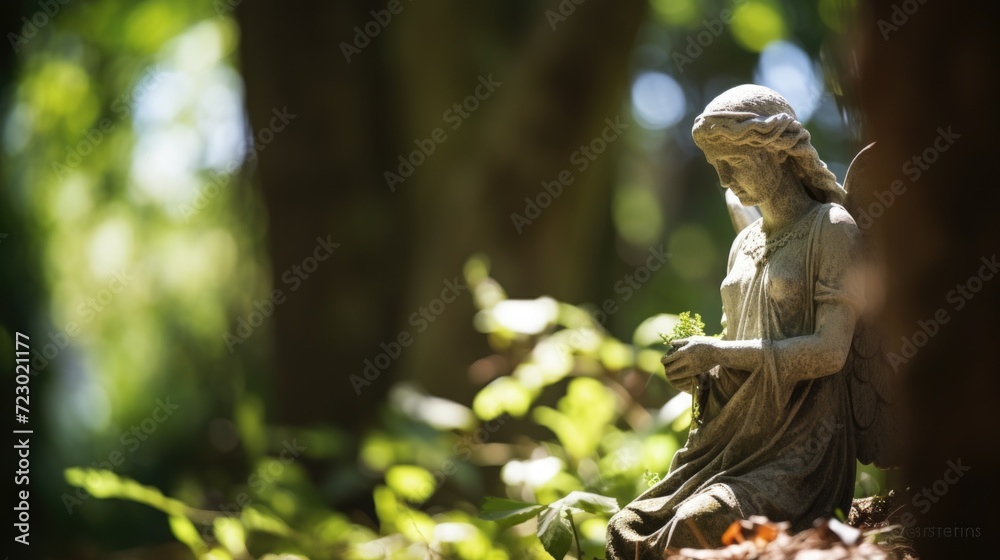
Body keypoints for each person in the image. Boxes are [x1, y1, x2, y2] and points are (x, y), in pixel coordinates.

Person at [606, 85, 866, 559]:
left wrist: (718, 352)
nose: (725, 180)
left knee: (697, 523)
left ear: (778, 152)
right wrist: (702, 376)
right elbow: (734, 347)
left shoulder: (831, 228)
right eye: (716, 167)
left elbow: (831, 351)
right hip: (727, 445)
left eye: (735, 162)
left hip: (799, 454)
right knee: (626, 525)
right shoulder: (742, 245)